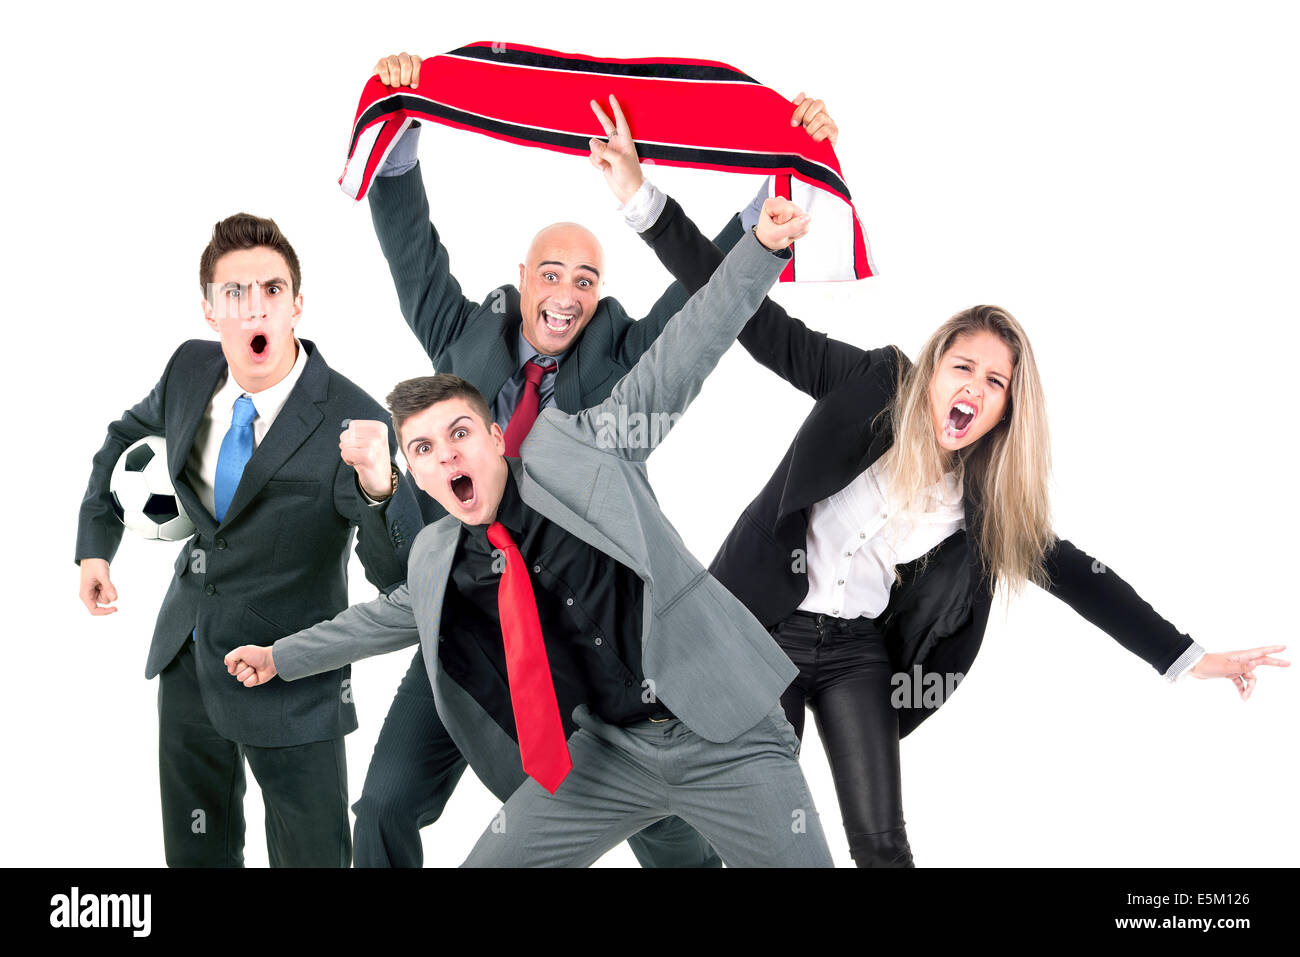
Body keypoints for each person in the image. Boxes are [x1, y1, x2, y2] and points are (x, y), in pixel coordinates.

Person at [588, 99, 1290, 867]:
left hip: (855, 650)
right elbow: (752, 323)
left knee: (883, 843)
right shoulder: (869, 381)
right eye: (964, 366)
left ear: (1005, 409)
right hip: (761, 629)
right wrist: (643, 201)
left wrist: (1190, 657)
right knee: (757, 837)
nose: (975, 387)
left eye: (995, 382)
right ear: (932, 370)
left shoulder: (986, 501)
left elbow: (1085, 580)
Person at [225, 202, 836, 867]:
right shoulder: (439, 555)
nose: (447, 456)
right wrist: (279, 657)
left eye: (459, 434)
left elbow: (689, 343)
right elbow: (377, 620)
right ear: (416, 474)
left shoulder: (590, 445)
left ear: (495, 434)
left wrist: (760, 248)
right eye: (424, 450)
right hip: (610, 756)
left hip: (723, 729)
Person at [347, 51, 836, 868]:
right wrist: (400, 112)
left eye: (586, 279)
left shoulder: (621, 361)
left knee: (670, 837)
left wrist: (781, 171)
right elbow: (411, 249)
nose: (567, 294)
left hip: (589, 646)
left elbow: (704, 304)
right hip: (470, 627)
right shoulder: (461, 339)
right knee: (385, 803)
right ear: (522, 280)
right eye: (551, 274)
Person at [75, 214, 408, 867]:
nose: (254, 307)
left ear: (297, 304)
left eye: (272, 290)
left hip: (290, 678)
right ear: (210, 310)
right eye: (235, 293)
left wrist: (380, 485)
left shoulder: (355, 420)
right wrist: (95, 545)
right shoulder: (189, 370)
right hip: (189, 657)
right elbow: (123, 438)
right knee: (195, 852)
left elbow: (396, 574)